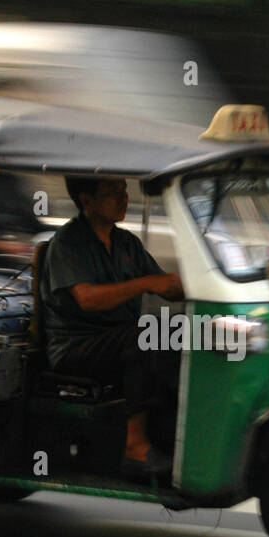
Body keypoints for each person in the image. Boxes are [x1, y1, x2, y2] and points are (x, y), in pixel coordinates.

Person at [42, 176, 183, 479]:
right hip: (77, 348)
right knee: (146, 335)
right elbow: (87, 299)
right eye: (112, 192)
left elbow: (166, 286)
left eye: (123, 190)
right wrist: (147, 283)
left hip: (118, 341)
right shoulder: (67, 243)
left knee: (185, 331)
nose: (123, 198)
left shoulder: (126, 242)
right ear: (87, 201)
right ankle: (135, 446)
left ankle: (174, 432)